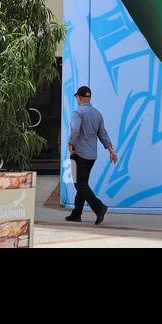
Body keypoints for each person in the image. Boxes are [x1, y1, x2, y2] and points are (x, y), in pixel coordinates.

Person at [66, 84, 118, 224]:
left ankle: (99, 207)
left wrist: (70, 144)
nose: (77, 98)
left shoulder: (78, 112)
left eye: (77, 96)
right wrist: (111, 150)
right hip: (91, 156)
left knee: (79, 184)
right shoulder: (97, 113)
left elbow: (75, 131)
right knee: (83, 184)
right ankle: (76, 214)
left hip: (79, 154)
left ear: (80, 97)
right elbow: (103, 134)